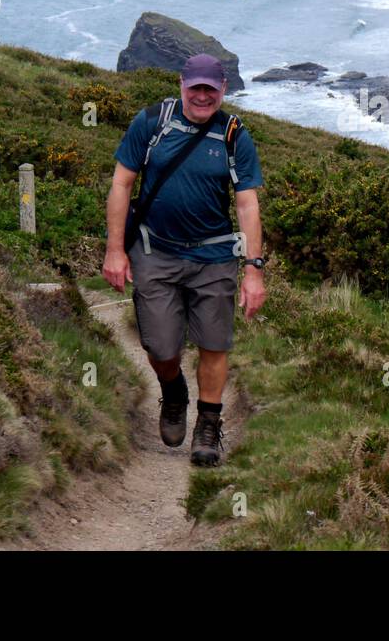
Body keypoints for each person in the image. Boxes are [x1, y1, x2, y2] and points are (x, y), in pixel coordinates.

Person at [102, 54, 266, 467]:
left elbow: (247, 205)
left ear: (223, 89)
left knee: (214, 343)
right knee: (159, 345)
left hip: (214, 257)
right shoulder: (152, 122)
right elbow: (122, 183)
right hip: (155, 251)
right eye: (196, 87)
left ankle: (208, 426)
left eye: (211, 88)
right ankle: (173, 391)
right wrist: (115, 249)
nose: (202, 95)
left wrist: (253, 270)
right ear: (181, 84)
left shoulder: (233, 135)